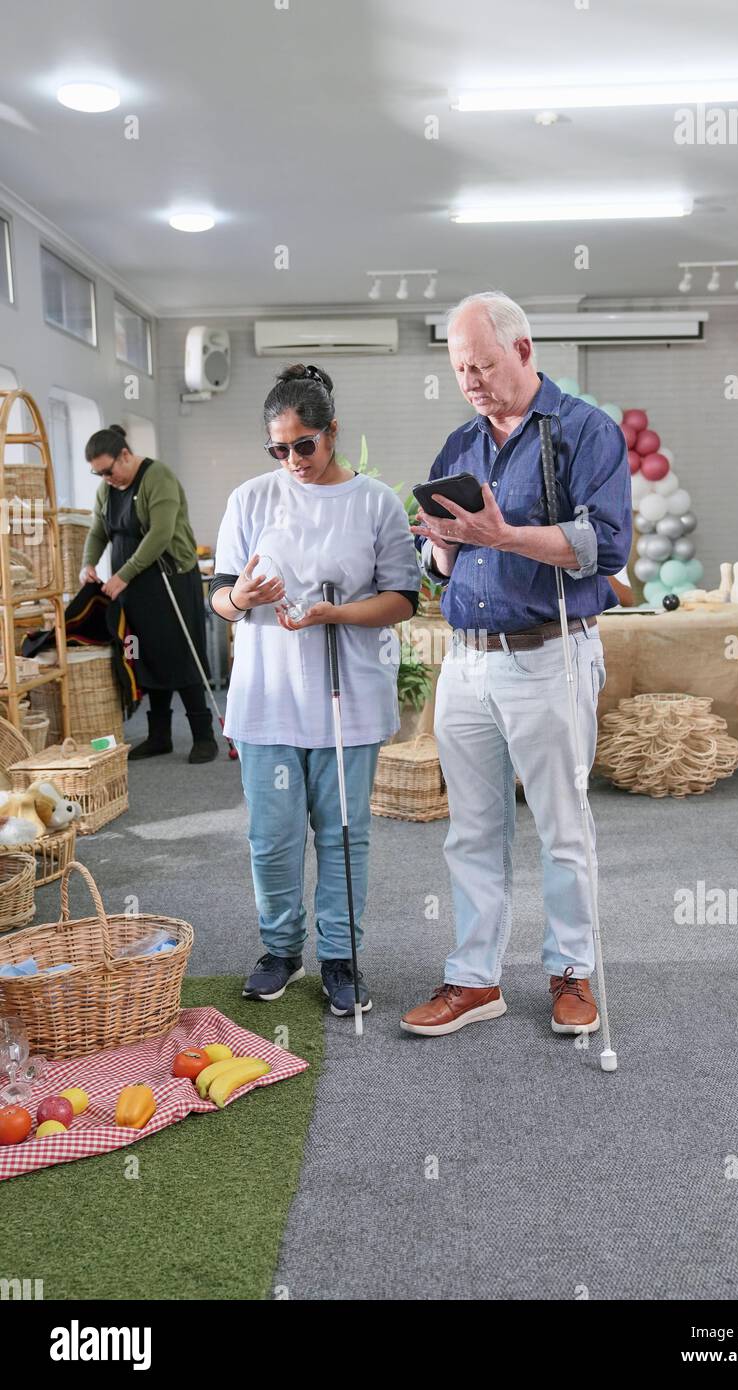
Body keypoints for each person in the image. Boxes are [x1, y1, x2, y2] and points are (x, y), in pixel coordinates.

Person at [401, 292, 631, 1038]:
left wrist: (505, 537)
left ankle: (571, 972)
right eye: (461, 369)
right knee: (471, 829)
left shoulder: (584, 432)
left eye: (484, 365)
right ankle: (474, 980)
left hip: (549, 655)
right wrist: (441, 541)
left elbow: (604, 545)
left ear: (525, 351)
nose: (472, 381)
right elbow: (440, 567)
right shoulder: (459, 445)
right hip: (467, 661)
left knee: (562, 825)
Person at [210, 364, 420, 1012]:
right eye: (280, 448)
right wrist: (240, 597)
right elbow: (219, 598)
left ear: (332, 433)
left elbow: (403, 599)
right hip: (268, 702)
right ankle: (280, 949)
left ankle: (340, 959)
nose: (293, 459)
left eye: (305, 444)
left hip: (346, 701)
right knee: (272, 839)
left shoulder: (375, 502)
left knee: (343, 835)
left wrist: (336, 614)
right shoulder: (250, 500)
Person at [80, 425, 218, 763]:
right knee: (146, 657)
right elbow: (99, 531)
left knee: (181, 654)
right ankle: (160, 736)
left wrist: (122, 575)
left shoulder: (159, 478)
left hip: (168, 580)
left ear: (125, 456)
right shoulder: (107, 490)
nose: (105, 478)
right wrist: (88, 564)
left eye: (108, 470)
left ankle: (204, 736)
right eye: (98, 473)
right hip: (133, 588)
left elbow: (160, 534)